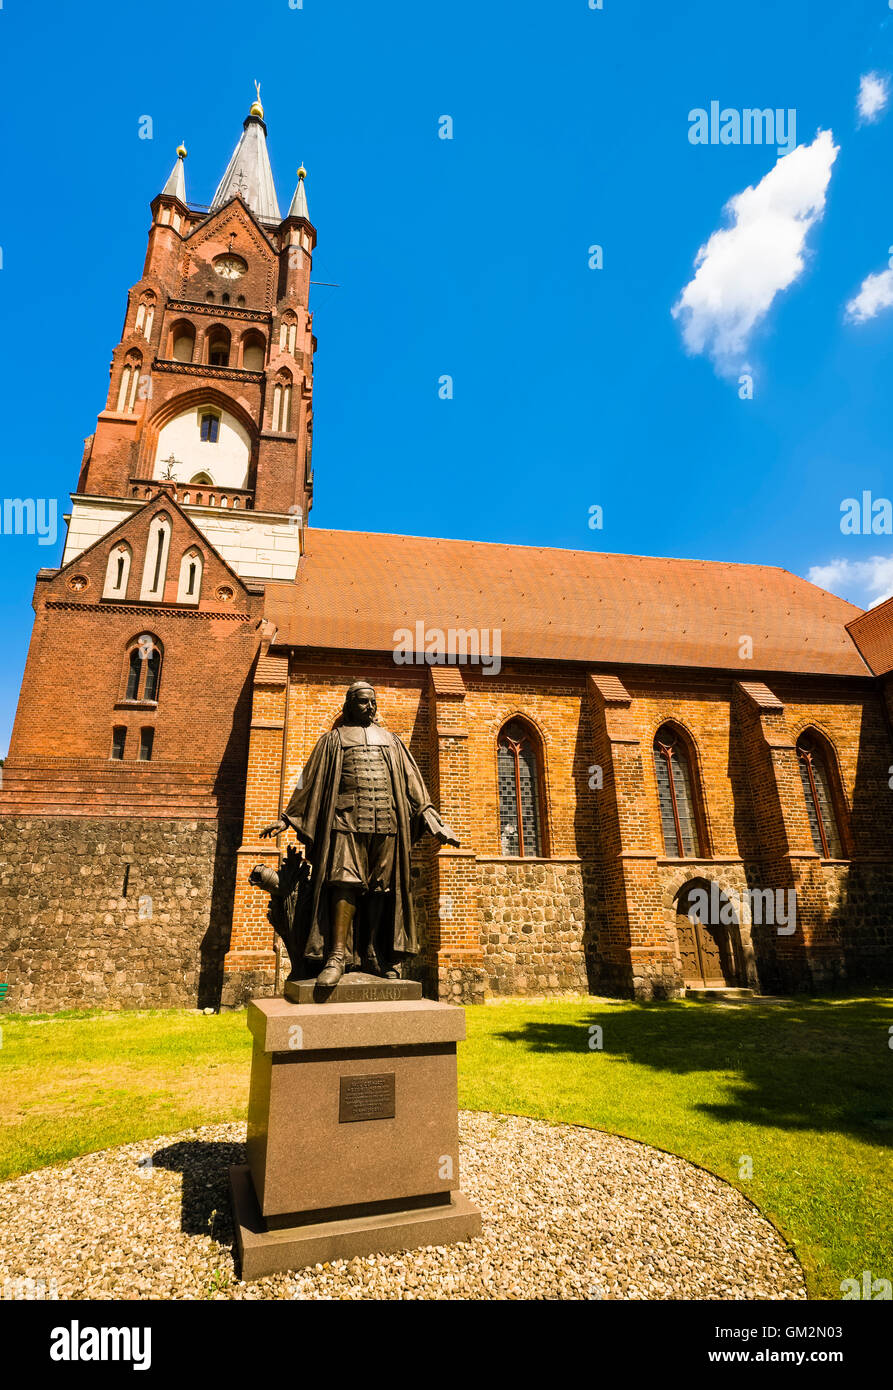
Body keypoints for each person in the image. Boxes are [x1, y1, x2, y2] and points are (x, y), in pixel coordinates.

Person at [259, 681, 459, 985]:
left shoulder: (391, 741)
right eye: (364, 702)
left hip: (387, 824)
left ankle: (372, 952)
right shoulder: (333, 740)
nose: (370, 707)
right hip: (346, 822)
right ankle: (337, 956)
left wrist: (431, 816)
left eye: (373, 702)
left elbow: (412, 783)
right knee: (344, 882)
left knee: (381, 888)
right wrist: (288, 817)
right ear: (350, 705)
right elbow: (306, 780)